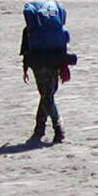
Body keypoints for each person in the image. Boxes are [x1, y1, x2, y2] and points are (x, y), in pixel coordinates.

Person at [20, 11, 66, 145]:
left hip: (37, 64)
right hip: (54, 63)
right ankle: (39, 128)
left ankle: (58, 127)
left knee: (46, 96)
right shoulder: (56, 27)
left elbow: (25, 51)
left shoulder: (30, 29)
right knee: (47, 95)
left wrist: (25, 69)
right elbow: (63, 46)